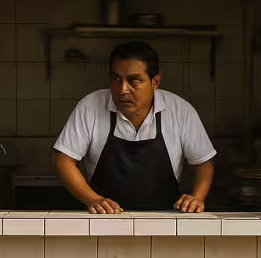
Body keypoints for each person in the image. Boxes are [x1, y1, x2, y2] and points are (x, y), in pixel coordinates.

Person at [53, 41, 215, 213]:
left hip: (166, 219)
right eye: (116, 79)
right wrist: (92, 199)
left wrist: (197, 198)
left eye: (134, 80)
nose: (122, 90)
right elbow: (64, 159)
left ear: (155, 82)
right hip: (104, 218)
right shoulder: (90, 106)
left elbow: (204, 162)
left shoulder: (180, 110)